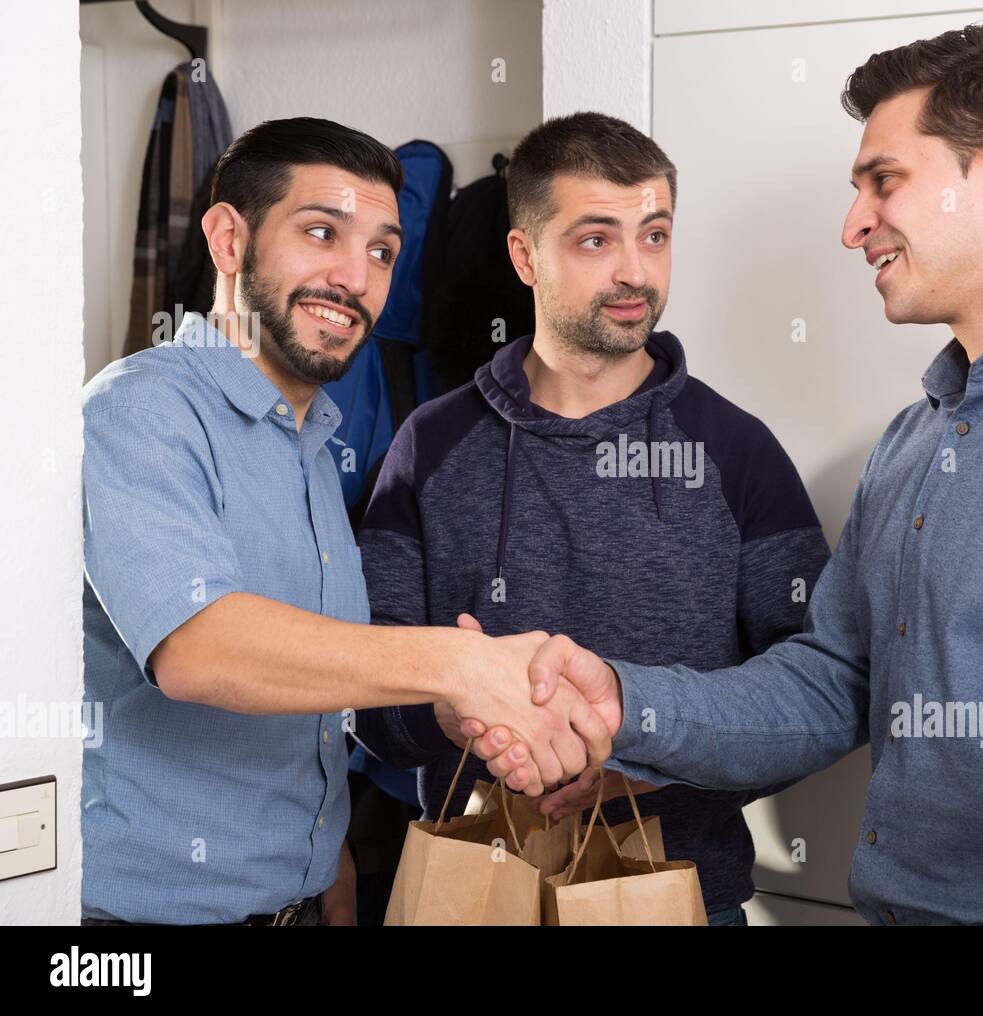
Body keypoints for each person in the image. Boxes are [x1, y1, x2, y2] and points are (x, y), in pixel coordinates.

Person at [468, 24, 983, 926]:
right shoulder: (916, 438)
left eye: (882, 181)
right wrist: (624, 700)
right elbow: (829, 682)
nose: (853, 225)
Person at [80, 117, 607, 926]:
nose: (354, 277)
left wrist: (336, 854)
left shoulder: (316, 444)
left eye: (382, 252)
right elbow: (196, 648)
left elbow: (312, 680)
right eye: (321, 232)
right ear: (227, 238)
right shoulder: (140, 409)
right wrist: (459, 664)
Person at [351, 112, 830, 926]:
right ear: (524, 254)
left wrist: (639, 758)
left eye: (654, 236)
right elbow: (362, 697)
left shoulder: (737, 452)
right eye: (595, 240)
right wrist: (450, 707)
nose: (634, 272)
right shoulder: (428, 447)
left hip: (679, 902)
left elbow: (814, 704)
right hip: (471, 901)